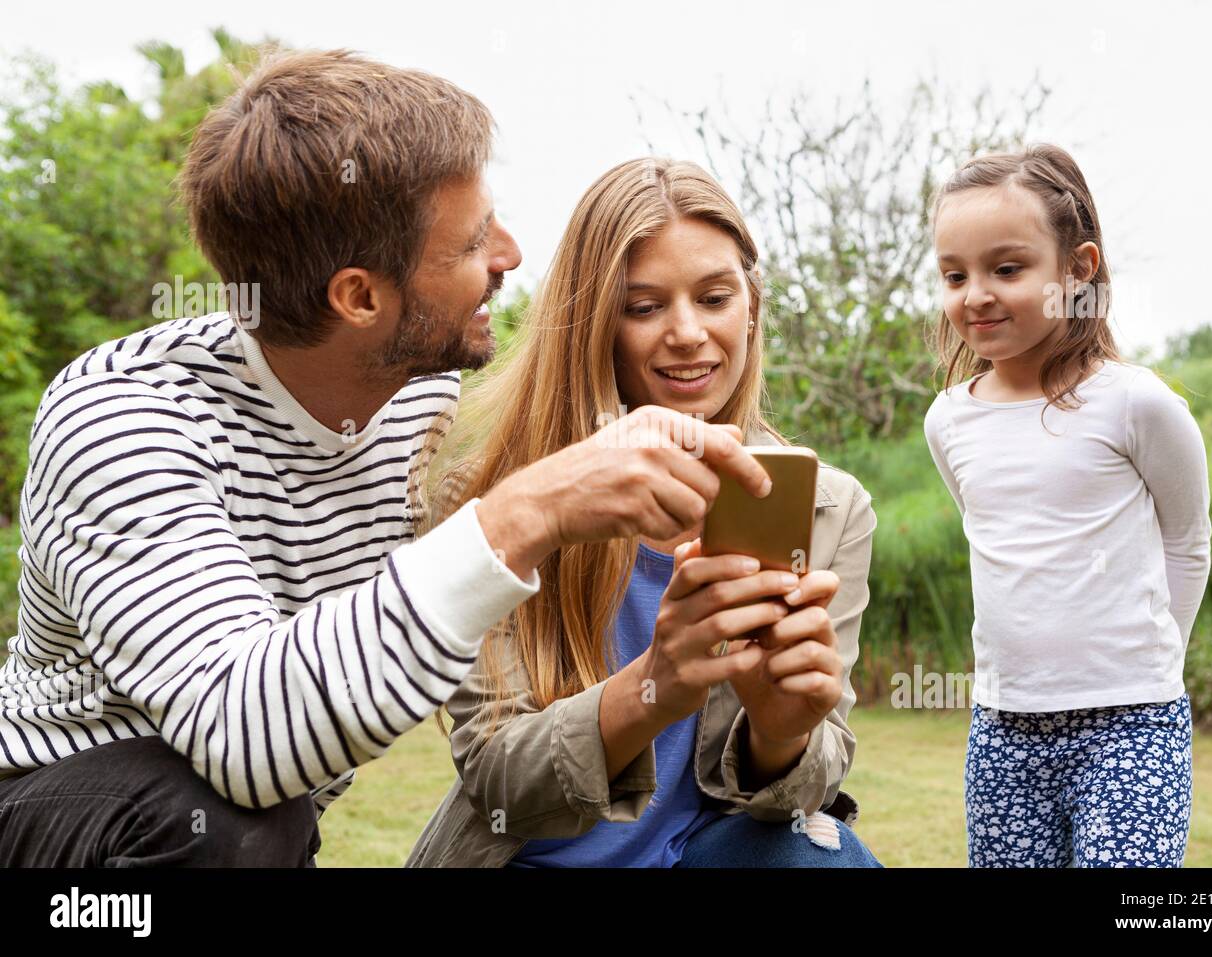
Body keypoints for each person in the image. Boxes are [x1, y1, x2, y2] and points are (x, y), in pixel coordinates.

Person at [0, 52, 773, 867]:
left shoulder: (425, 404)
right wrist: (524, 513)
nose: (510, 255)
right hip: (50, 816)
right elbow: (242, 735)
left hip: (250, 828)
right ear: (361, 297)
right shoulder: (125, 420)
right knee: (226, 815)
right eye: (475, 241)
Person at [406, 158, 882, 868]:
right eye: (644, 306)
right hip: (534, 857)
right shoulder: (500, 504)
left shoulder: (827, 506)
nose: (688, 332)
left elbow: (809, 781)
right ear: (595, 323)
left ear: (750, 304)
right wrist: (658, 682)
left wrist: (779, 735)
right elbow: (499, 777)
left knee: (824, 855)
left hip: (708, 852)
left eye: (714, 297)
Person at [922, 144, 1212, 867]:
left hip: (1131, 725)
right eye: (955, 275)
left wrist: (1151, 665)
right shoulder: (948, 420)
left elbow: (1188, 542)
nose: (975, 294)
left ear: (1077, 270)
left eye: (1007, 268)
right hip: (1003, 731)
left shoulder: (1137, 402)